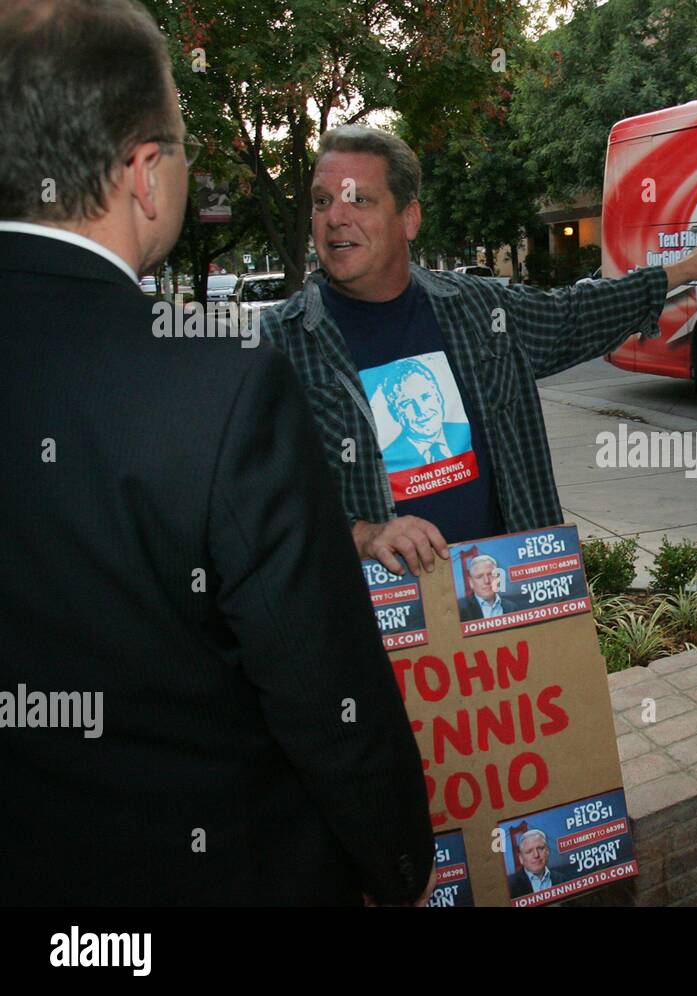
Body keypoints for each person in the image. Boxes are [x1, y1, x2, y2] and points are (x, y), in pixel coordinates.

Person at [0, 0, 433, 905]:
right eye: (184, 144)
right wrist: (399, 866)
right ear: (147, 174)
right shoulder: (220, 385)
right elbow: (325, 696)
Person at [260, 125, 697, 577]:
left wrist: (676, 273)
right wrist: (361, 534)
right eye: (322, 201)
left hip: (509, 598)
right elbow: (257, 499)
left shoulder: (477, 310)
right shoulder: (278, 345)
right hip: (376, 627)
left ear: (409, 218)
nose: (335, 218)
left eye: (357, 199)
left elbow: (574, 312)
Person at [506, 830, 577, 899]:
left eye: (540, 848)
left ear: (547, 852)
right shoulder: (509, 888)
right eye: (529, 851)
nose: (536, 855)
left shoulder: (562, 879)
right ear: (521, 859)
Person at [456, 554, 525, 621]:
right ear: (471, 583)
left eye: (491, 575)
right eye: (479, 577)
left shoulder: (512, 608)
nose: (487, 581)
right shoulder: (460, 612)